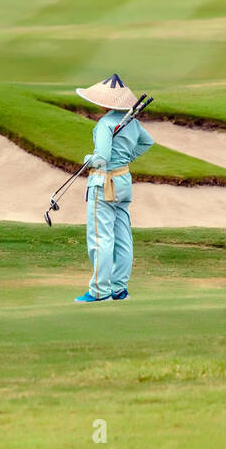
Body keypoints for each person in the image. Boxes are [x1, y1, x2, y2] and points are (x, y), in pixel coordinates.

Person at [73, 74, 152, 303]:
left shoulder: (105, 124)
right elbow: (147, 143)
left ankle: (99, 291)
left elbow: (102, 159)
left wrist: (88, 159)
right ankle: (119, 288)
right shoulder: (133, 122)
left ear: (104, 102)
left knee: (101, 238)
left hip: (104, 184)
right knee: (123, 237)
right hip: (124, 182)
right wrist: (126, 158)